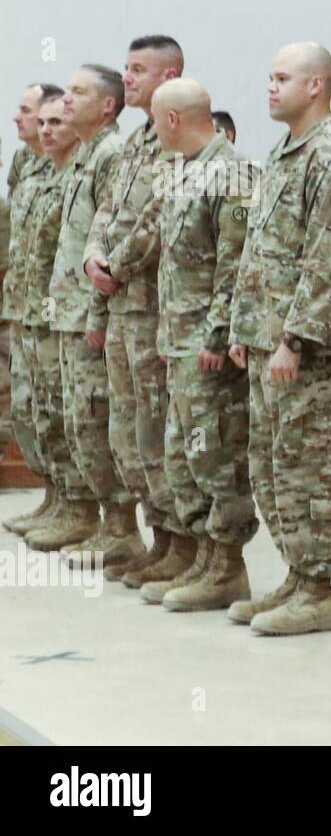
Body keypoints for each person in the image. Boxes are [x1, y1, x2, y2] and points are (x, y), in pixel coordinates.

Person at [227, 42, 331, 635]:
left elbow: (328, 258)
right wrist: (243, 326)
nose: (270, 87)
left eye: (282, 78)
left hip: (303, 352)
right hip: (265, 339)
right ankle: (293, 574)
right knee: (270, 466)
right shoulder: (283, 153)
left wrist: (296, 340)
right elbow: (259, 249)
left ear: (316, 86)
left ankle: (318, 590)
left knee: (306, 468)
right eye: (269, 76)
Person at [149, 77, 257, 611]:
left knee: (215, 453)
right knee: (182, 454)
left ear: (171, 119)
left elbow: (234, 265)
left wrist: (216, 334)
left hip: (207, 345)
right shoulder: (183, 173)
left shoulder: (232, 174)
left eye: (154, 120)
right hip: (182, 340)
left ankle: (227, 567)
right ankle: (203, 558)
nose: (153, 131)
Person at [29, 66, 140, 559]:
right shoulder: (86, 157)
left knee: (95, 420)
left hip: (90, 317)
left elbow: (110, 242)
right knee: (77, 421)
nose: (66, 102)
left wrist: (97, 313)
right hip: (68, 313)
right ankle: (88, 514)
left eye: (78, 93)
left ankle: (119, 527)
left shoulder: (112, 155)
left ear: (107, 106)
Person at [85, 35, 184, 584]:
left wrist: (114, 266)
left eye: (139, 70)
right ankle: (157, 538)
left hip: (152, 308)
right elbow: (110, 210)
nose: (128, 79)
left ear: (169, 76)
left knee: (158, 430)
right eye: (125, 69)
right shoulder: (135, 142)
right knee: (130, 434)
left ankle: (179, 541)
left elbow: (156, 218)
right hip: (121, 305)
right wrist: (92, 256)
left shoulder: (176, 136)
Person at [6, 88, 78, 543]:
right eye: (38, 119)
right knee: (33, 412)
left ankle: (79, 510)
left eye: (29, 112)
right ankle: (56, 499)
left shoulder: (76, 171)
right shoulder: (30, 169)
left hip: (57, 315)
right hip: (27, 309)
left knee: (62, 414)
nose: (24, 121)